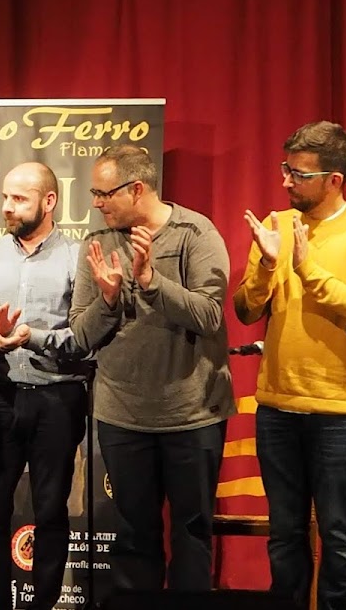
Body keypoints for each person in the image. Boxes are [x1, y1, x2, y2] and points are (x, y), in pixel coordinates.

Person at [233, 121, 346, 610]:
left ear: (334, 180)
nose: (286, 181)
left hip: (337, 411)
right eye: (285, 169)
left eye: (299, 174)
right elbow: (245, 310)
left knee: (338, 534)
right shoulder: (276, 224)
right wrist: (267, 265)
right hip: (277, 406)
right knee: (284, 534)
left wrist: (307, 269)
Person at [68, 145, 233, 595]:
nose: (96, 203)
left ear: (136, 189)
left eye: (104, 194)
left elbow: (210, 316)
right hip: (123, 415)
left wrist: (151, 283)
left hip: (192, 414)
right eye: (94, 194)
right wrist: (107, 300)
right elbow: (80, 334)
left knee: (192, 534)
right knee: (133, 535)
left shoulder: (195, 233)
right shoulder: (98, 242)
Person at [0, 162, 88, 610]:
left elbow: (87, 336)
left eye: (19, 199)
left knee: (51, 512)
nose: (7, 207)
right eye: (5, 197)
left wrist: (35, 337)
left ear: (49, 201)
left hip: (57, 399)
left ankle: (42, 605)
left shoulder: (77, 257)